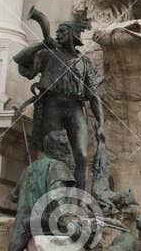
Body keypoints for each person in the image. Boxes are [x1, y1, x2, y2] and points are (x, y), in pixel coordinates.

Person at [13, 13, 104, 192]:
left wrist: (101, 124)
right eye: (57, 31)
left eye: (62, 31)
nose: (57, 34)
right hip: (51, 106)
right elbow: (19, 59)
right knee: (50, 155)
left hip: (75, 108)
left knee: (82, 156)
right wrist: (42, 43)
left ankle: (79, 201)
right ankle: (48, 197)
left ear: (71, 35)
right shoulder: (46, 54)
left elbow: (93, 96)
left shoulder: (84, 63)